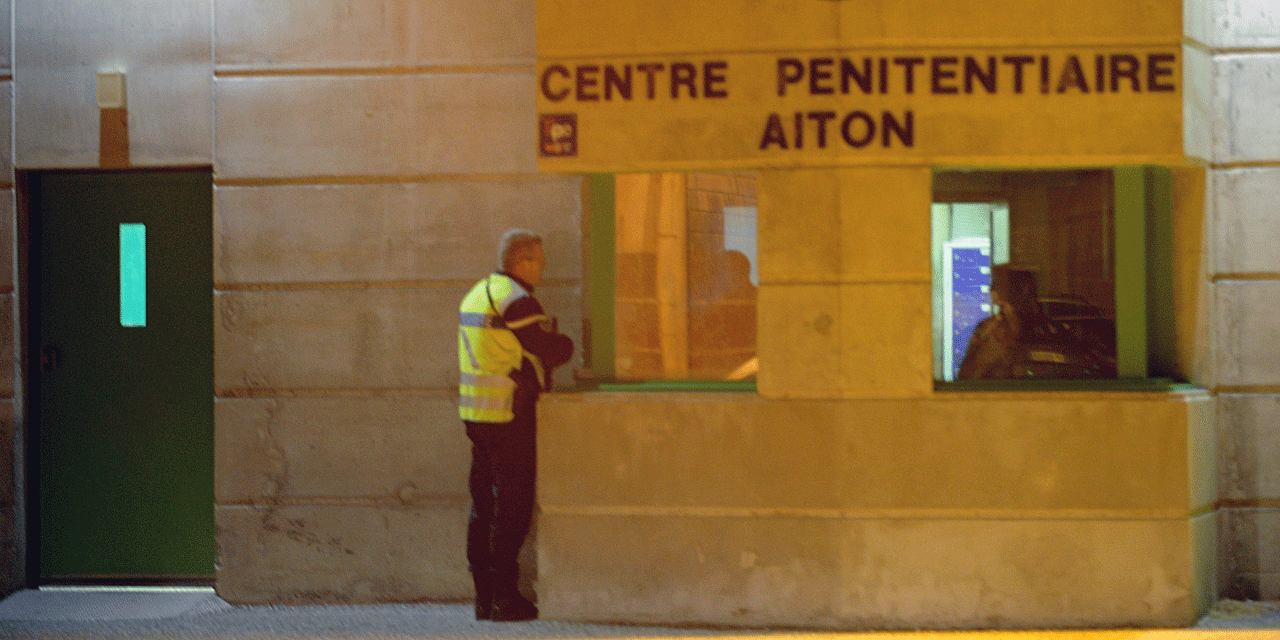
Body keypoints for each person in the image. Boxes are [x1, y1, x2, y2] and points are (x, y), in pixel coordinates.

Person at [457, 229, 574, 621]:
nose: (541, 267)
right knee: (512, 509)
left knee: (484, 507)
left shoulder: (478, 292)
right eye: (538, 260)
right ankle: (505, 599)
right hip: (509, 415)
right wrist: (568, 345)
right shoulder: (516, 299)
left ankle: (484, 598)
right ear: (522, 262)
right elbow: (544, 348)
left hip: (478, 417)